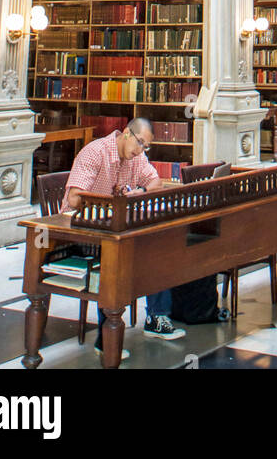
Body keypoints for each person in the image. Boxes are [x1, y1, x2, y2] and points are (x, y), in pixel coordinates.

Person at [62, 117, 186, 350]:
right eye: (139, 143)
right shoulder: (95, 153)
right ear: (127, 133)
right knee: (114, 257)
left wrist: (136, 192)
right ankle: (105, 335)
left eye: (146, 147)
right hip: (81, 230)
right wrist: (113, 202)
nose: (141, 151)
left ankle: (156, 318)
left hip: (115, 227)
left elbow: (155, 181)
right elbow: (74, 198)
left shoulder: (136, 158)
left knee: (157, 247)